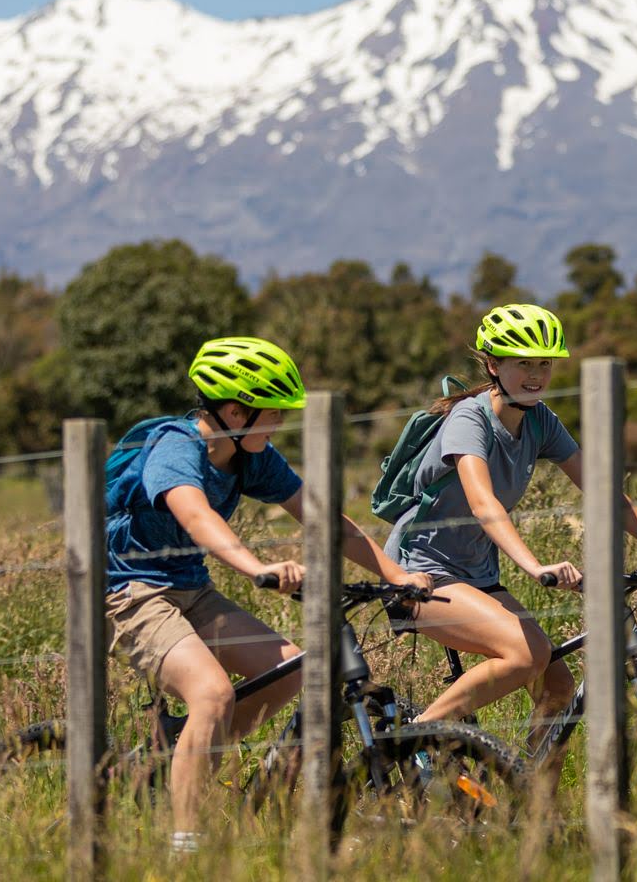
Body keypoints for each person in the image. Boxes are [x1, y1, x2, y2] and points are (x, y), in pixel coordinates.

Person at [104, 336, 430, 852]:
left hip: (191, 589)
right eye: (274, 415)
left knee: (297, 668)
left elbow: (319, 515)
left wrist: (393, 572)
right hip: (133, 594)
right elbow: (195, 515)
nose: (279, 425)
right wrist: (256, 567)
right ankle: (186, 846)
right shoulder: (175, 447)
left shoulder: (250, 455)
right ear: (236, 411)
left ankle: (183, 754)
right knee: (212, 693)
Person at [386, 304, 637, 740]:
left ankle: (533, 801)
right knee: (524, 655)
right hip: (419, 573)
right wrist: (535, 567)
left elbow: (605, 491)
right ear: (494, 365)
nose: (535, 374)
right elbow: (484, 503)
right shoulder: (470, 419)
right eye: (523, 363)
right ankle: (409, 741)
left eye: (544, 364)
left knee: (557, 690)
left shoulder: (539, 420)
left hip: (477, 576)